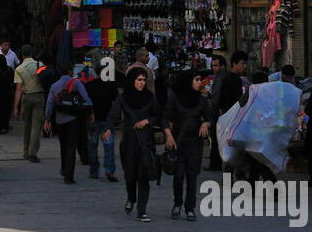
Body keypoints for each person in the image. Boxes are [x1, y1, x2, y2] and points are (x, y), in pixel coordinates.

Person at [101, 67, 169, 222]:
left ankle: (142, 211)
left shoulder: (150, 97)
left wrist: (147, 121)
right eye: (139, 80)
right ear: (132, 81)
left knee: (143, 177)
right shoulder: (123, 98)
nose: (142, 83)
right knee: (130, 176)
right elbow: (114, 114)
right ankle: (131, 197)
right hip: (129, 143)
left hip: (146, 143)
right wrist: (108, 128)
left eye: (144, 80)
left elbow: (158, 115)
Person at [165, 69, 215, 220]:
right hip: (178, 142)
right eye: (197, 80)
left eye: (200, 80)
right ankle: (177, 203)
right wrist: (168, 135)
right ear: (188, 82)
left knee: (192, 175)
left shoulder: (201, 100)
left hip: (195, 143)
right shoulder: (175, 98)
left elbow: (209, 116)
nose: (200, 82)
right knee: (179, 175)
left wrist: (206, 123)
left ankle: (190, 207)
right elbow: (164, 116)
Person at [47, 66, 93, 184]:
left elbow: (49, 104)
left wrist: (47, 119)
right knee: (71, 147)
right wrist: (90, 111)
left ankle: (64, 168)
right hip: (74, 119)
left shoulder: (54, 86)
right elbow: (86, 97)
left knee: (63, 146)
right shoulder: (76, 83)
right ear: (70, 71)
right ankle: (69, 176)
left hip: (60, 120)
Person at [209, 51, 247, 171]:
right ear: (234, 64)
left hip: (230, 117)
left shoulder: (230, 78)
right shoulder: (231, 79)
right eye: (242, 64)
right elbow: (226, 100)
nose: (244, 66)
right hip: (231, 118)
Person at [84, 54, 119, 181]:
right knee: (108, 146)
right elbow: (117, 102)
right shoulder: (111, 86)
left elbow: (85, 102)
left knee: (92, 145)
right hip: (107, 120)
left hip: (93, 119)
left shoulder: (90, 85)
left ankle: (94, 170)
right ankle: (109, 171)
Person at [13, 46, 46, 163]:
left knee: (26, 125)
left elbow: (18, 89)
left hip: (26, 98)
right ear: (32, 53)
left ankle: (25, 152)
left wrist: (16, 106)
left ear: (22, 55)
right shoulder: (40, 64)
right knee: (36, 125)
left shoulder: (19, 69)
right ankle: (33, 153)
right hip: (39, 96)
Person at [0, 50, 16, 134]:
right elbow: (14, 82)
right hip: (8, 93)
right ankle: (5, 127)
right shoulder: (10, 70)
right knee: (6, 111)